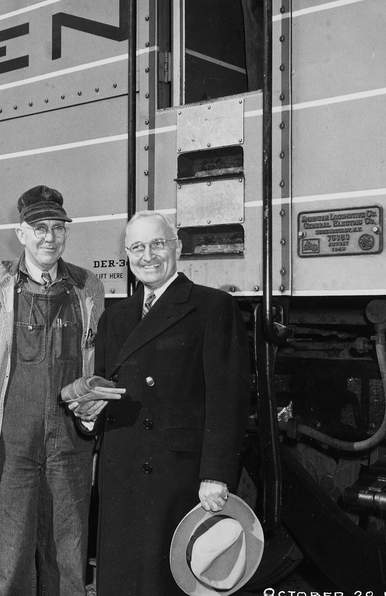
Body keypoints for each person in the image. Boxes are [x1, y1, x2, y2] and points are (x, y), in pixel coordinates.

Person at [0, 185, 121, 595]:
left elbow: (96, 359)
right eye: (39, 228)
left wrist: (89, 404)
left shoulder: (87, 286)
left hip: (69, 441)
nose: (50, 237)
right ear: (21, 233)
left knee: (67, 556)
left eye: (58, 228)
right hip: (9, 442)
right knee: (8, 559)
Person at [87, 211, 250, 595]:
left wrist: (216, 473)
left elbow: (228, 399)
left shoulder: (213, 307)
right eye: (137, 247)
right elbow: (106, 392)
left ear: (176, 246)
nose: (149, 256)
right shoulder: (116, 317)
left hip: (179, 472)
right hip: (122, 468)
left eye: (158, 243)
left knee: (167, 580)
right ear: (126, 255)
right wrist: (87, 414)